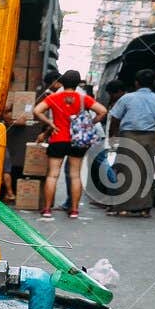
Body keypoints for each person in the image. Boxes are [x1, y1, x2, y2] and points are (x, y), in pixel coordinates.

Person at [33, 69, 106, 220]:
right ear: (78, 83)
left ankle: (47, 209)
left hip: (58, 138)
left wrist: (50, 123)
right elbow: (103, 111)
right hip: (77, 141)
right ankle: (74, 211)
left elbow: (37, 111)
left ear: (61, 82)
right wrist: (89, 124)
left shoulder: (53, 97)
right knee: (75, 175)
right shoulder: (82, 98)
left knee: (52, 175)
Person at [101, 68, 155, 217]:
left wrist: (112, 137)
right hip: (149, 138)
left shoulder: (126, 98)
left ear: (136, 83)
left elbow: (115, 119)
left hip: (128, 136)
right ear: (154, 83)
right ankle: (145, 208)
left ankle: (120, 207)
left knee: (125, 170)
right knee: (146, 171)